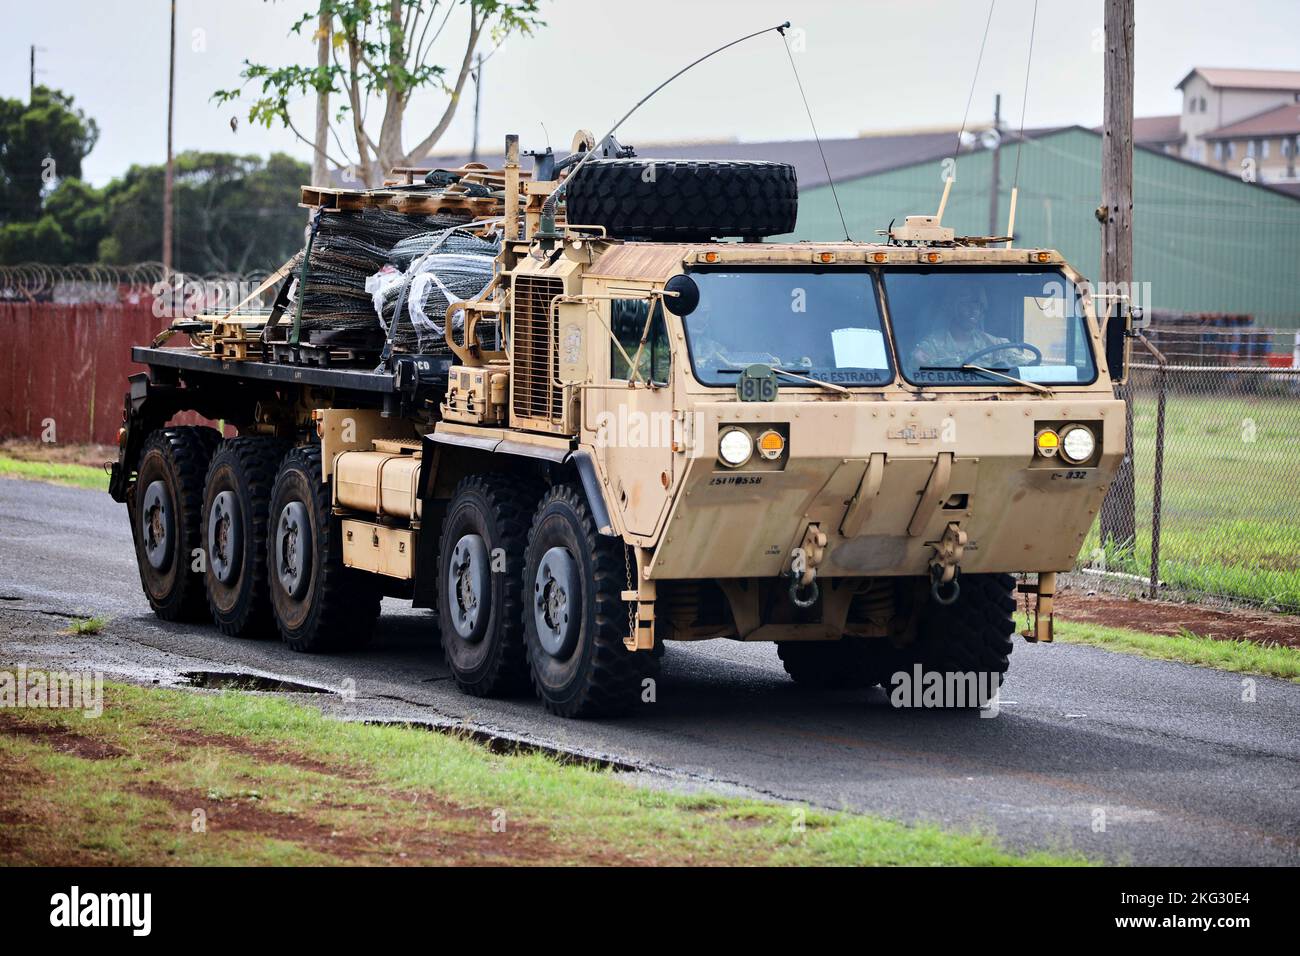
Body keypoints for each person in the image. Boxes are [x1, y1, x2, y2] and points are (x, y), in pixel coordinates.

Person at [911, 286, 1032, 369]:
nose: (974, 311)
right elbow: (916, 375)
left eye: (978, 306)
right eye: (966, 305)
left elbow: (1027, 368)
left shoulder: (996, 345)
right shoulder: (932, 346)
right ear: (953, 308)